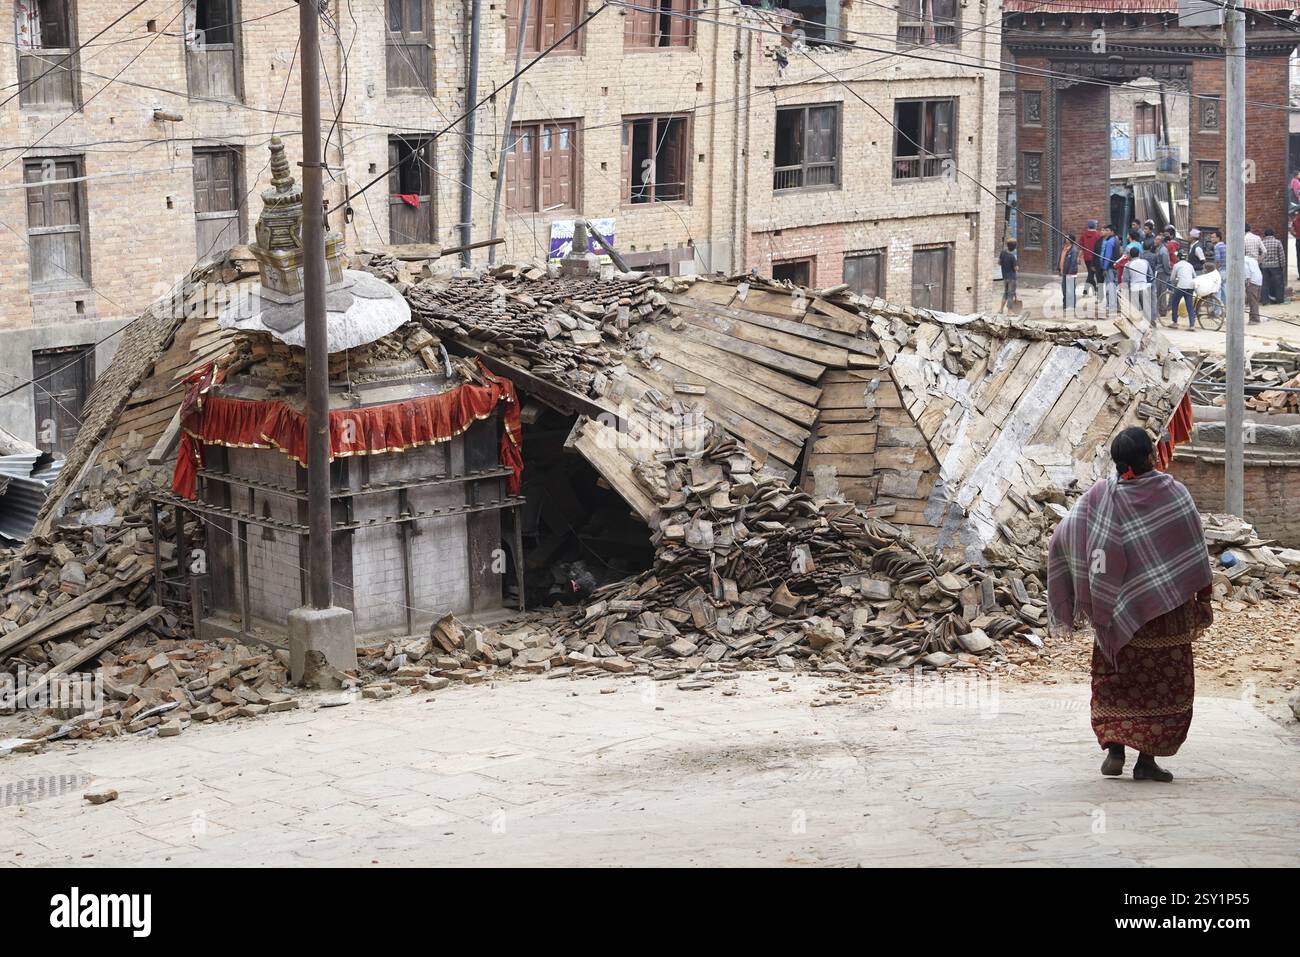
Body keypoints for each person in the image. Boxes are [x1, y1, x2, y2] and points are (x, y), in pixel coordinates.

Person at [1048, 427, 1213, 783]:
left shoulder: (1099, 496)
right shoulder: (1174, 494)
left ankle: (1116, 750)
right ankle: (1146, 761)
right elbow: (1194, 549)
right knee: (1161, 685)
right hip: (1164, 614)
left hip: (1115, 615)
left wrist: (1080, 586)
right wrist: (1203, 597)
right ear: (1151, 456)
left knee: (1120, 681)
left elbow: (1063, 536)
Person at [1169, 251, 1197, 327]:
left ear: (1178, 257)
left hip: (1181, 287)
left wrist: (1175, 282)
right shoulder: (1190, 265)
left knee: (1175, 303)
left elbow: (1172, 278)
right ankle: (1192, 325)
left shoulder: (1176, 265)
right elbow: (1194, 276)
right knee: (1189, 306)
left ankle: (1175, 322)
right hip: (1190, 287)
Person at [1125, 245, 1153, 321]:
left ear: (1130, 255)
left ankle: (1136, 325)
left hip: (1134, 288)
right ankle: (1148, 324)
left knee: (1135, 309)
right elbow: (1150, 275)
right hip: (1144, 286)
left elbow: (1126, 279)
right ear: (1139, 254)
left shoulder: (1128, 265)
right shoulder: (1145, 262)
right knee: (1146, 308)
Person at [1259, 227, 1286, 304]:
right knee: (1279, 283)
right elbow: (1281, 255)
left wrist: (1260, 264)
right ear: (1273, 234)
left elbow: (1260, 254)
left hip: (1265, 266)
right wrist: (1282, 266)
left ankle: (1265, 301)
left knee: (1265, 283)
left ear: (1265, 235)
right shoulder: (1277, 242)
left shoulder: (1262, 242)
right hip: (1276, 266)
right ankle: (1280, 300)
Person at [1080, 219, 1103, 296]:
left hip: (1086, 258)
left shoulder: (1083, 235)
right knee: (1091, 274)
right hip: (1095, 258)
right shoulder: (1098, 235)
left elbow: (1081, 247)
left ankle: (1095, 289)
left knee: (1091, 273)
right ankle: (1085, 291)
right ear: (1094, 225)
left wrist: (1079, 257)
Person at [1059, 233, 1081, 315]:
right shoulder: (1064, 248)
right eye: (1065, 238)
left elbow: (1073, 263)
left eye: (1067, 238)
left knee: (1070, 291)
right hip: (1064, 273)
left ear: (1071, 240)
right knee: (1064, 290)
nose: (1065, 239)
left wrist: (1070, 273)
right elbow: (1061, 259)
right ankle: (1065, 306)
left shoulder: (1074, 250)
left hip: (1070, 274)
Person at [1244, 251, 1263, 324]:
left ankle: (1254, 319)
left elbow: (1247, 272)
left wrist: (1247, 281)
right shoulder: (1252, 259)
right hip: (1259, 280)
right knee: (1255, 300)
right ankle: (1255, 318)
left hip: (1252, 281)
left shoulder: (1243, 260)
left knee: (1252, 301)